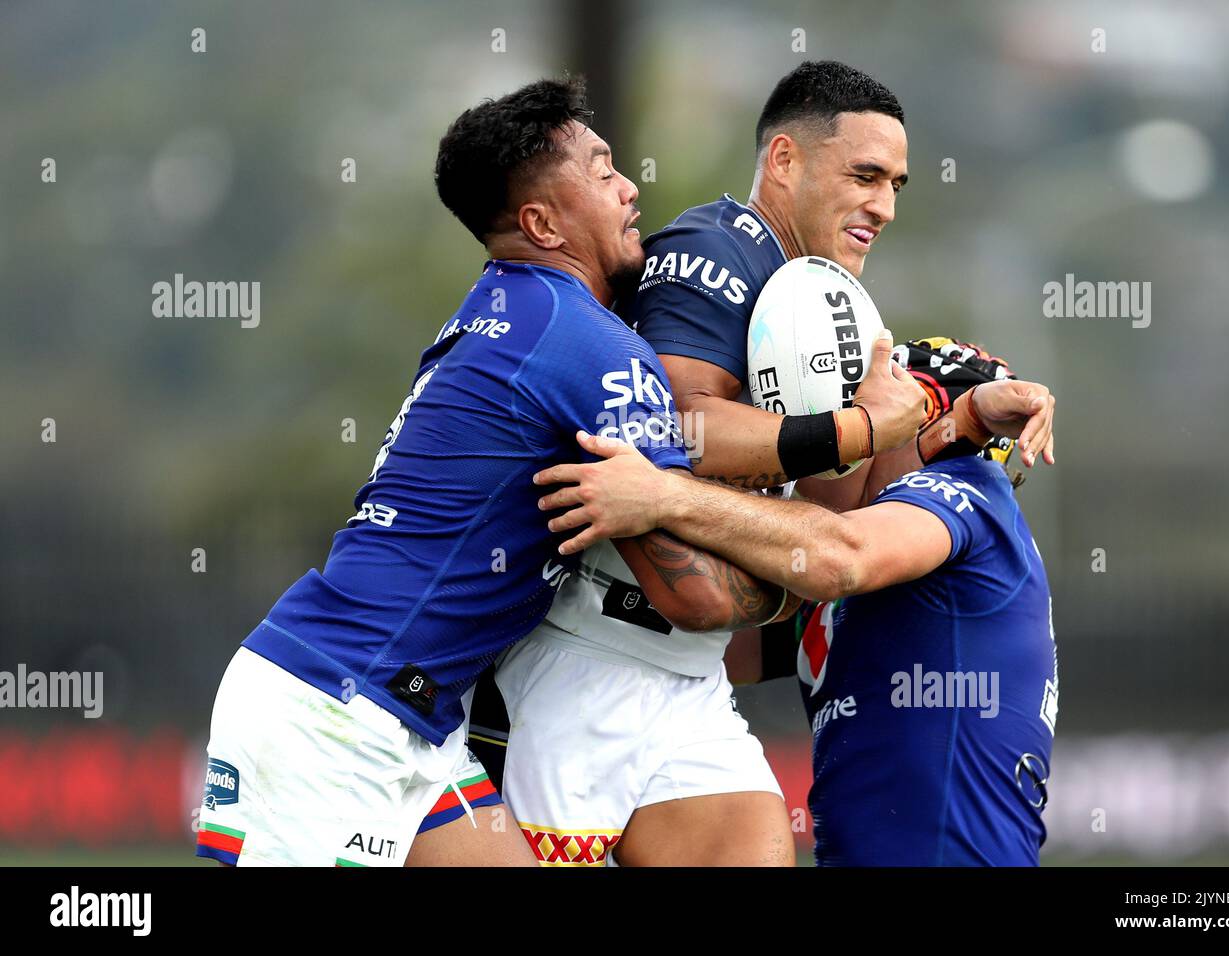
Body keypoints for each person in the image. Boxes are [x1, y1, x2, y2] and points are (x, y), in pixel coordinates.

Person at [195, 77, 810, 868]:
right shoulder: (598, 350)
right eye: (599, 170)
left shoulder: (500, 310)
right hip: (334, 716)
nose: (629, 188)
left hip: (409, 723)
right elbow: (697, 598)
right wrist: (804, 565)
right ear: (541, 222)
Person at [481, 61, 1053, 866]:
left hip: (695, 673)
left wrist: (947, 425)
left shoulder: (835, 296)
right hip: (591, 656)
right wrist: (857, 426)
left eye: (896, 184)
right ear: (784, 161)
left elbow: (837, 513)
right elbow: (675, 428)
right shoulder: (713, 247)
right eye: (864, 175)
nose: (883, 206)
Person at [534, 338, 1058, 865]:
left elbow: (841, 553)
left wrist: (662, 495)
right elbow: (704, 642)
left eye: (870, 417)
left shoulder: (969, 490)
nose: (849, 445)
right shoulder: (882, 579)